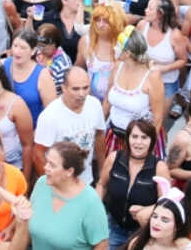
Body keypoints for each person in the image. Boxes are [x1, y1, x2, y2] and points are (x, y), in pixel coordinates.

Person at [96, 119, 169, 250]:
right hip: (113, 227)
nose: (138, 142)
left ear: (152, 141)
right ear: (127, 138)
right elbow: (101, 184)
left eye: (144, 137)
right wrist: (96, 209)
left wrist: (148, 210)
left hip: (142, 232)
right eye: (134, 136)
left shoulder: (159, 167)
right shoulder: (114, 158)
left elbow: (166, 203)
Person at [28, 141, 109, 250]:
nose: (45, 167)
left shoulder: (90, 202)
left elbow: (101, 245)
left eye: (52, 165)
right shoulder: (42, 184)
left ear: (69, 171)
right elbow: (28, 221)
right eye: (47, 162)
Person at [33, 66, 106, 184]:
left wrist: (102, 173)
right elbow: (38, 154)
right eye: (76, 89)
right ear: (64, 88)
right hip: (61, 184)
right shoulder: (50, 116)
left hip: (87, 181)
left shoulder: (95, 105)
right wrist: (52, 183)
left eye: (85, 88)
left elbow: (99, 136)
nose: (82, 94)